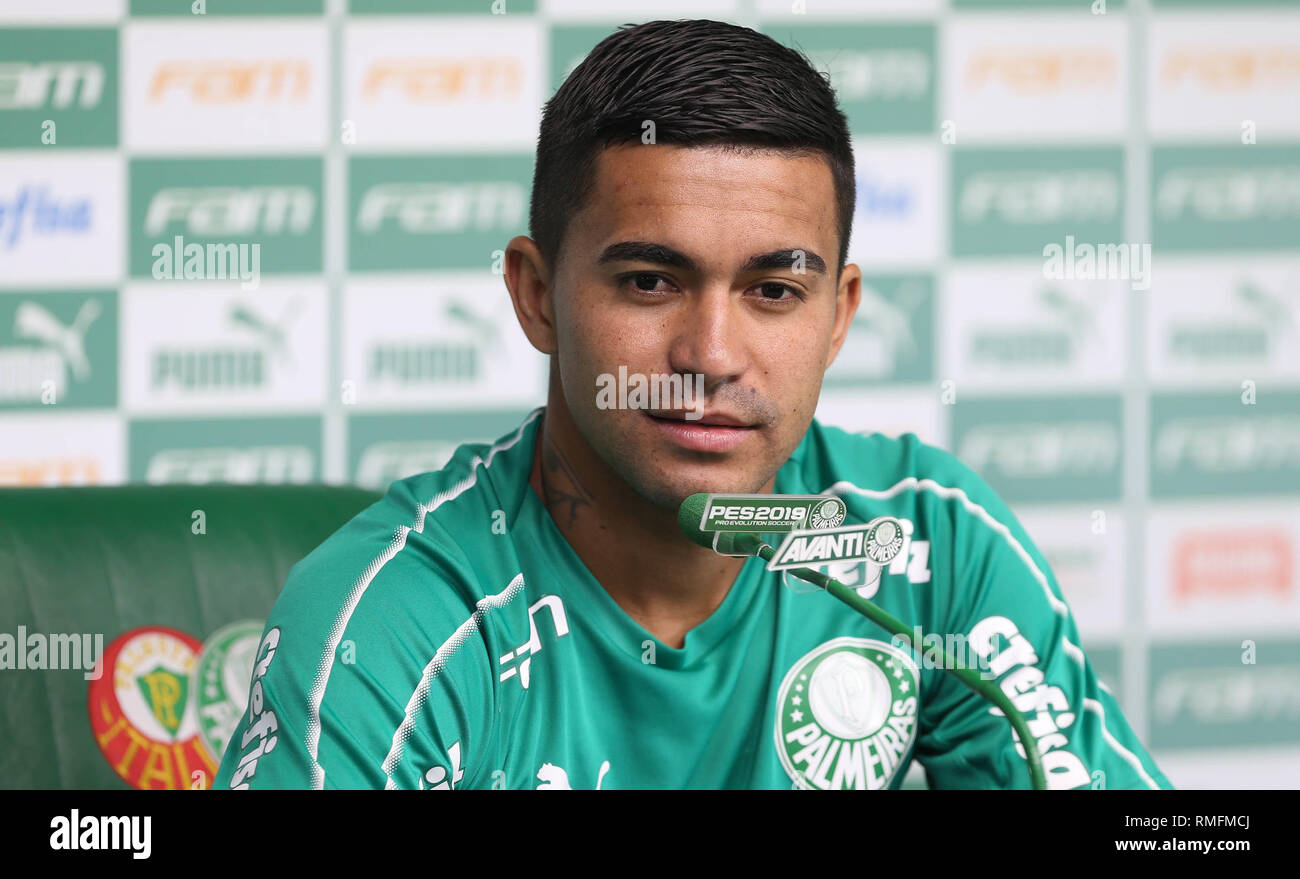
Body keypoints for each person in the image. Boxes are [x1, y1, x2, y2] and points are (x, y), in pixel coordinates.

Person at [214, 19, 1171, 790]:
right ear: (536, 294)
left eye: (774, 291)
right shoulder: (398, 617)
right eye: (648, 282)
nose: (710, 357)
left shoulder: (922, 539)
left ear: (838, 315)